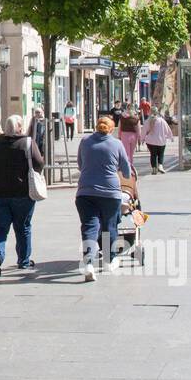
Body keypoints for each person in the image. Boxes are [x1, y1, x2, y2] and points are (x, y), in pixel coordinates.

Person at [0, 115, 44, 276]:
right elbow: (39, 163)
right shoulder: (28, 143)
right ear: (19, 127)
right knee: (23, 227)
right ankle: (23, 261)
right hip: (23, 194)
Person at [75, 115, 132, 281]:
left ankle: (88, 262)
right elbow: (126, 171)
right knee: (109, 225)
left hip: (85, 192)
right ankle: (109, 259)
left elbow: (80, 164)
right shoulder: (117, 143)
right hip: (110, 193)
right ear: (112, 129)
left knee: (90, 226)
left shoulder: (85, 141)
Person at [141, 106, 173, 174]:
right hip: (161, 141)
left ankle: (154, 168)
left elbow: (144, 131)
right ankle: (160, 166)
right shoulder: (161, 121)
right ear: (157, 112)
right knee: (161, 154)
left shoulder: (147, 121)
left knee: (153, 154)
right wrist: (171, 137)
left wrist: (142, 139)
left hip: (150, 141)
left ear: (150, 112)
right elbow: (167, 129)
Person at [118, 105, 141, 170]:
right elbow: (138, 129)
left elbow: (120, 127)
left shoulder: (122, 117)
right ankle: (130, 165)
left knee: (126, 152)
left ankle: (127, 166)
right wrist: (139, 138)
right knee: (131, 153)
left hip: (124, 135)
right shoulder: (136, 118)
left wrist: (119, 136)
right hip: (133, 136)